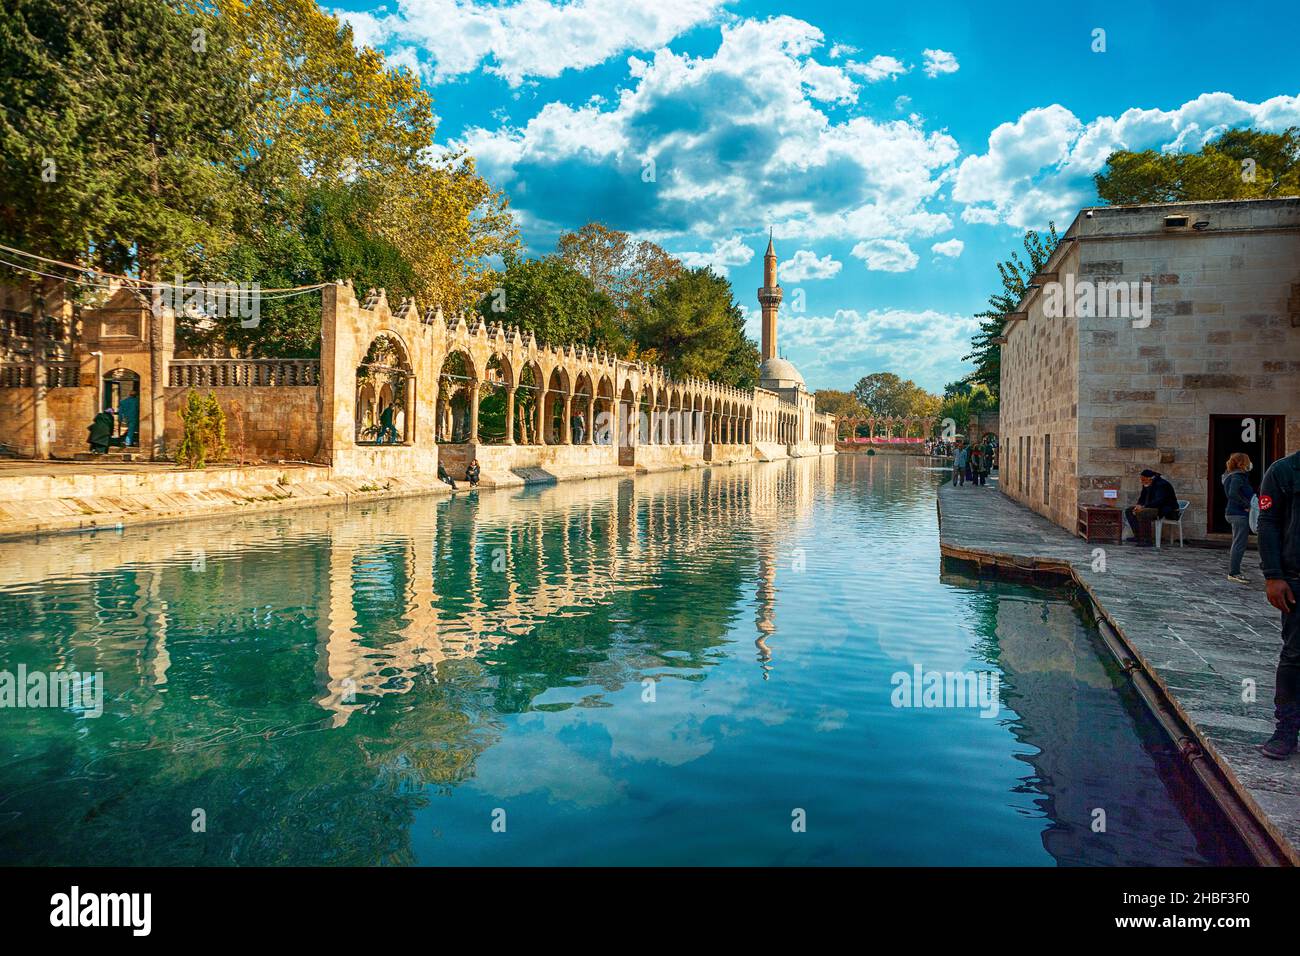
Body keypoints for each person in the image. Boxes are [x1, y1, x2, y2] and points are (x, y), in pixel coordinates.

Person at [1259, 449, 1300, 758]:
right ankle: (1286, 730)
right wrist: (1273, 574)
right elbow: (1268, 522)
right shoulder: (1284, 471)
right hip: (1296, 578)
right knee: (1295, 655)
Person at [1222, 452, 1254, 584]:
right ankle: (1234, 572)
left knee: (1238, 543)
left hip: (1233, 513)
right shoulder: (1238, 476)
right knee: (1239, 544)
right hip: (1239, 513)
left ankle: (1234, 571)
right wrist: (1245, 505)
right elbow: (1233, 493)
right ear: (1243, 462)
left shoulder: (1229, 475)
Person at [1124, 468, 1180, 544]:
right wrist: (1138, 505)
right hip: (1152, 507)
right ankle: (1139, 536)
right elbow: (1142, 498)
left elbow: (1159, 501)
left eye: (1143, 480)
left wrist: (1143, 507)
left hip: (1166, 510)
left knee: (1144, 512)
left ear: (1150, 478)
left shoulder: (1161, 484)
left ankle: (1147, 540)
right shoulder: (1147, 484)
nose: (1142, 482)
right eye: (1141, 480)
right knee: (1129, 511)